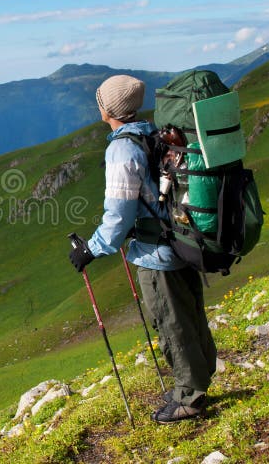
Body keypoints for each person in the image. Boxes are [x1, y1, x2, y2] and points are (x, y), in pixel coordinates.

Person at [68, 74, 217, 423]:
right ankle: (197, 377)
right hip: (183, 240)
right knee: (190, 314)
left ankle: (189, 397)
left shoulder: (122, 149)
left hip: (156, 253)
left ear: (108, 108)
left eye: (100, 100)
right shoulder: (155, 133)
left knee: (171, 322)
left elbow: (119, 214)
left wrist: (91, 250)